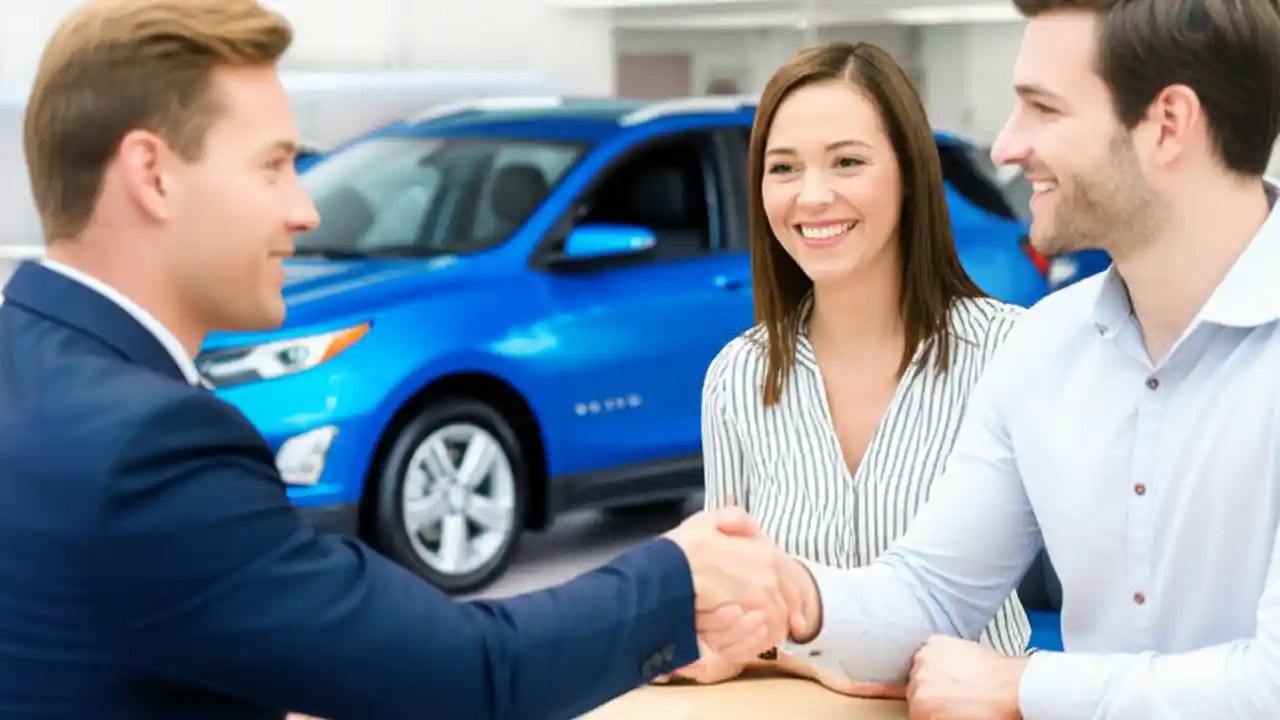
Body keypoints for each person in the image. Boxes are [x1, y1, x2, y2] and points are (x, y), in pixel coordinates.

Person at [0, 1, 796, 718]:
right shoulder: (149, 447)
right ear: (153, 175)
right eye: (274, 164)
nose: (303, 208)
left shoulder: (31, 363)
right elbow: (467, 675)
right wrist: (677, 576)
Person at [727, 1, 1280, 717]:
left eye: (1042, 109)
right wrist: (788, 597)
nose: (1005, 147)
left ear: (1168, 123)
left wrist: (1022, 686)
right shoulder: (1045, 351)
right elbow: (929, 594)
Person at [662, 41, 1032, 692]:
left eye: (847, 162)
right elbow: (731, 618)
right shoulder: (737, 379)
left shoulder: (1011, 355)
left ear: (911, 174)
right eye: (783, 169)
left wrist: (808, 652)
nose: (812, 196)